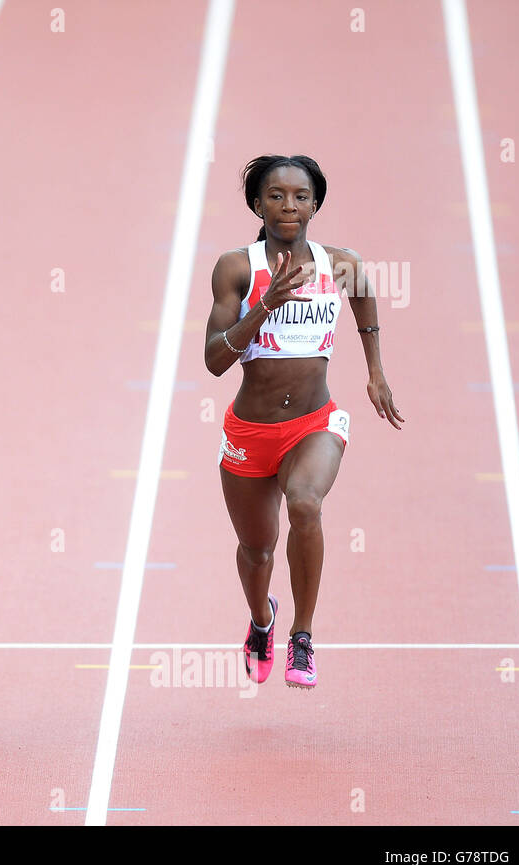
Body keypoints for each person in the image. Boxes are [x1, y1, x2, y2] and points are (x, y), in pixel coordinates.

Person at [204, 154, 403, 688]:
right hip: (250, 431)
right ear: (257, 204)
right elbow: (214, 359)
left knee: (306, 503)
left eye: (299, 196)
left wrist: (375, 370)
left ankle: (303, 637)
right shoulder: (236, 267)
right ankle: (262, 621)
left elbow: (363, 299)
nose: (288, 205)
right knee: (256, 552)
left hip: (315, 422)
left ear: (315, 204)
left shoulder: (341, 263)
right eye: (275, 195)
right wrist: (263, 305)